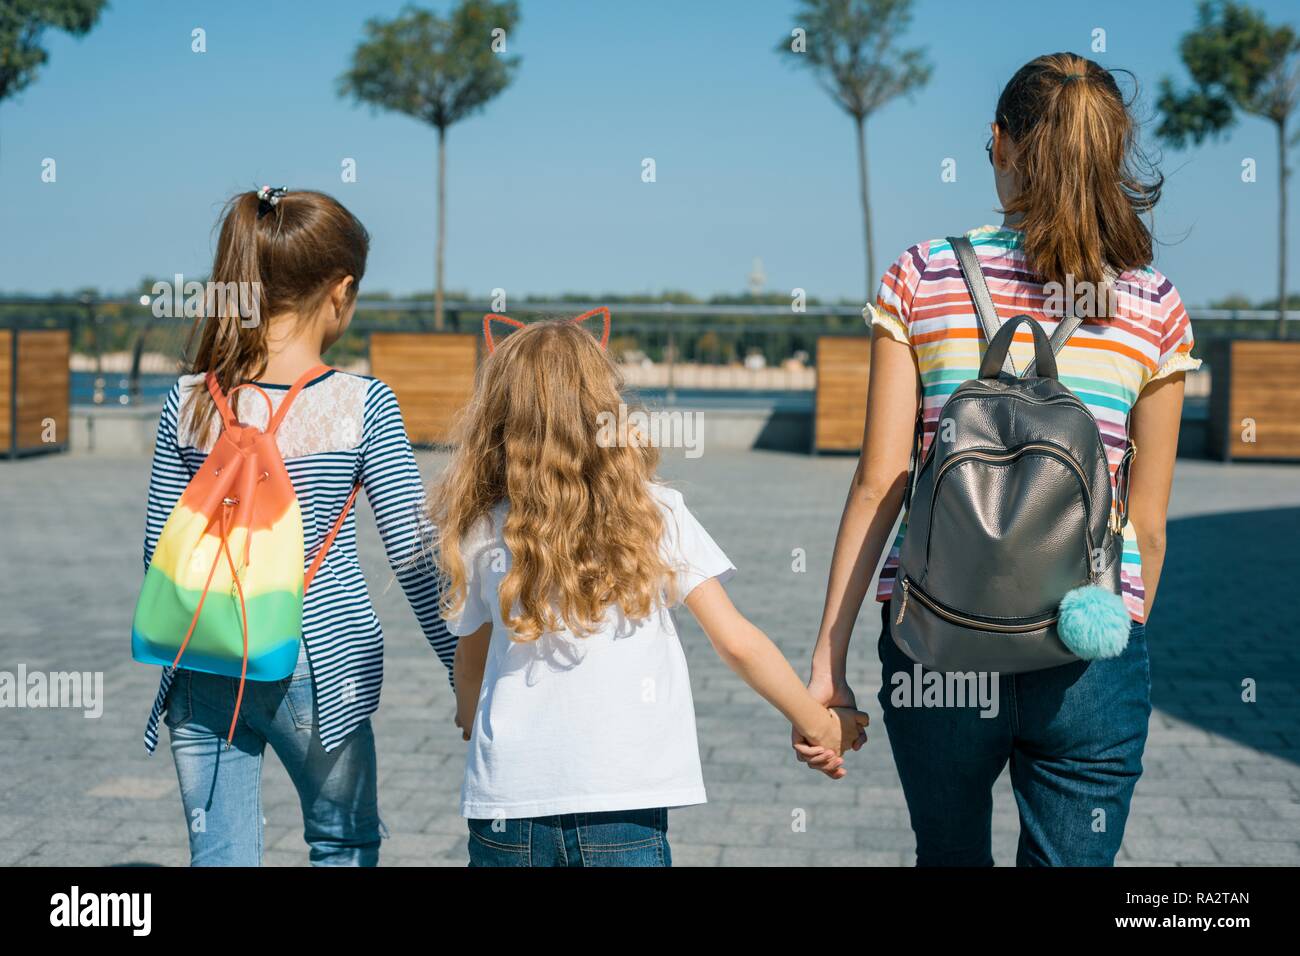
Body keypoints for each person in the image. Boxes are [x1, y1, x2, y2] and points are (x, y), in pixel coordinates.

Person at [797, 52, 1197, 866]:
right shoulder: (1150, 302)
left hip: (936, 643)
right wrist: (1115, 630)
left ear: (999, 144)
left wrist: (825, 663)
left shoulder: (925, 275)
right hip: (1086, 653)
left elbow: (883, 479)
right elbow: (1146, 526)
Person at [433, 316, 870, 867]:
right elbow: (736, 641)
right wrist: (818, 722)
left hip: (507, 807)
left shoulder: (482, 529)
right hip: (624, 803)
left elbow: (469, 660)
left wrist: (469, 714)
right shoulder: (655, 513)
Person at [140, 187, 454, 865]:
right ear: (340, 292)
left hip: (202, 654)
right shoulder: (360, 403)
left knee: (220, 853)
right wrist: (464, 663)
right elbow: (412, 553)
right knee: (341, 841)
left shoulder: (191, 399)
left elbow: (158, 548)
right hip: (318, 658)